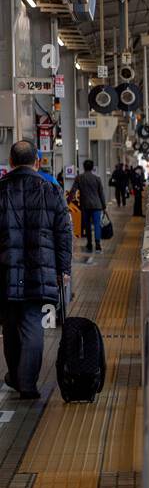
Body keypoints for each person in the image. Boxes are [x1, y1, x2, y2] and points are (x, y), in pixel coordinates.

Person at [0, 141, 73, 399]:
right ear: (37, 162)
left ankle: (17, 378)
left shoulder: (1, 190)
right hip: (40, 271)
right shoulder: (51, 189)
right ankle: (28, 384)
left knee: (9, 327)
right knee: (34, 325)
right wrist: (64, 268)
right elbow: (64, 232)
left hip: (6, 271)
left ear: (10, 161)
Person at [73, 159, 106, 252]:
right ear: (92, 168)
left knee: (87, 225)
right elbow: (101, 194)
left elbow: (73, 191)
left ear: (84, 167)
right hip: (97, 205)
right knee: (97, 224)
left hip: (85, 206)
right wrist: (104, 206)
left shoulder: (79, 178)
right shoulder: (97, 178)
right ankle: (98, 244)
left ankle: (89, 243)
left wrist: (67, 202)